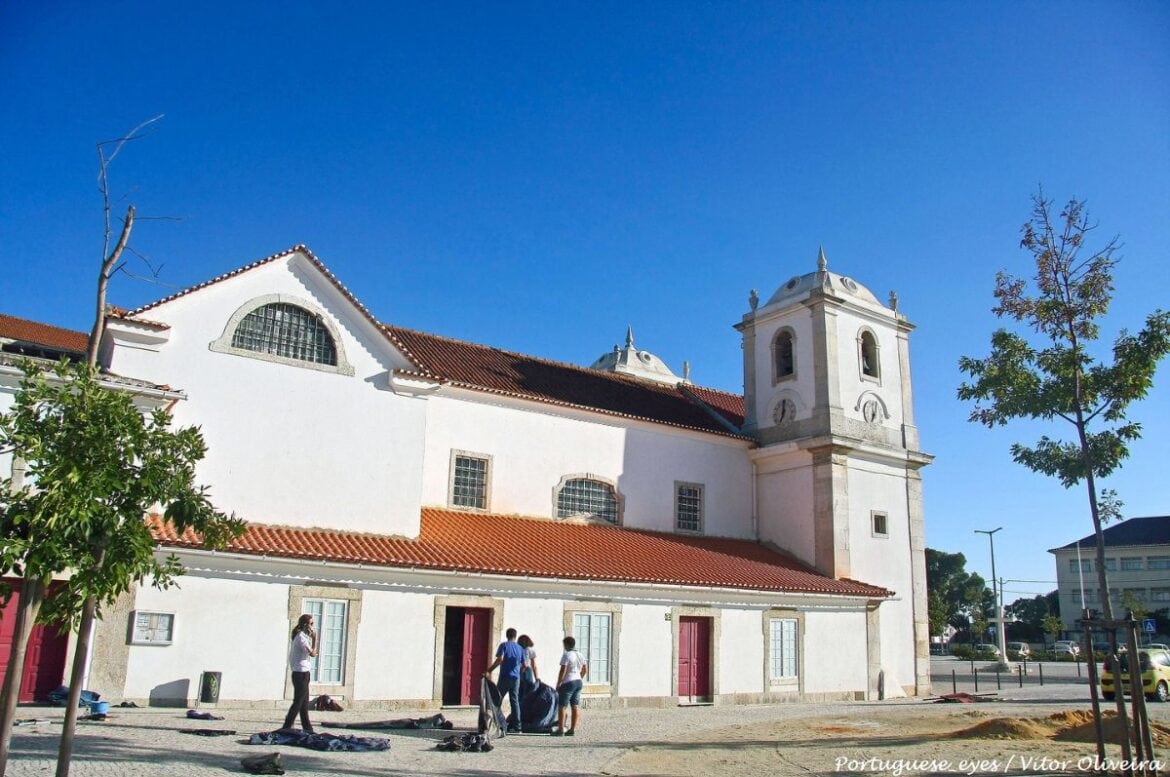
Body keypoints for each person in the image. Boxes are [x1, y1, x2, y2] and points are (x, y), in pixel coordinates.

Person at [484, 627, 524, 732]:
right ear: (515, 636)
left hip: (505, 677)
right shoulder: (520, 648)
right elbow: (526, 665)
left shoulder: (504, 645)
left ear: (507, 636)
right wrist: (519, 672)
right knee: (515, 702)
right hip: (516, 678)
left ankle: (496, 723)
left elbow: (500, 659)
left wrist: (489, 670)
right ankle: (518, 727)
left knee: (497, 700)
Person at [283, 613, 318, 732]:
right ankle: (287, 726)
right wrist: (314, 639)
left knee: (304, 702)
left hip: (302, 672)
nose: (313, 626)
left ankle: (307, 727)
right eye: (311, 624)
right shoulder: (301, 638)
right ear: (305, 625)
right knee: (298, 701)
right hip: (301, 673)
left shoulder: (300, 636)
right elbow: (313, 654)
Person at [553, 635, 587, 736]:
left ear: (567, 645)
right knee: (575, 706)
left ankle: (560, 730)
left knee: (562, 706)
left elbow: (563, 670)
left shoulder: (567, 655)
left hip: (568, 682)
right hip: (578, 681)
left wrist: (559, 683)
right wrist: (579, 677)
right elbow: (585, 669)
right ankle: (572, 729)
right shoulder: (580, 655)